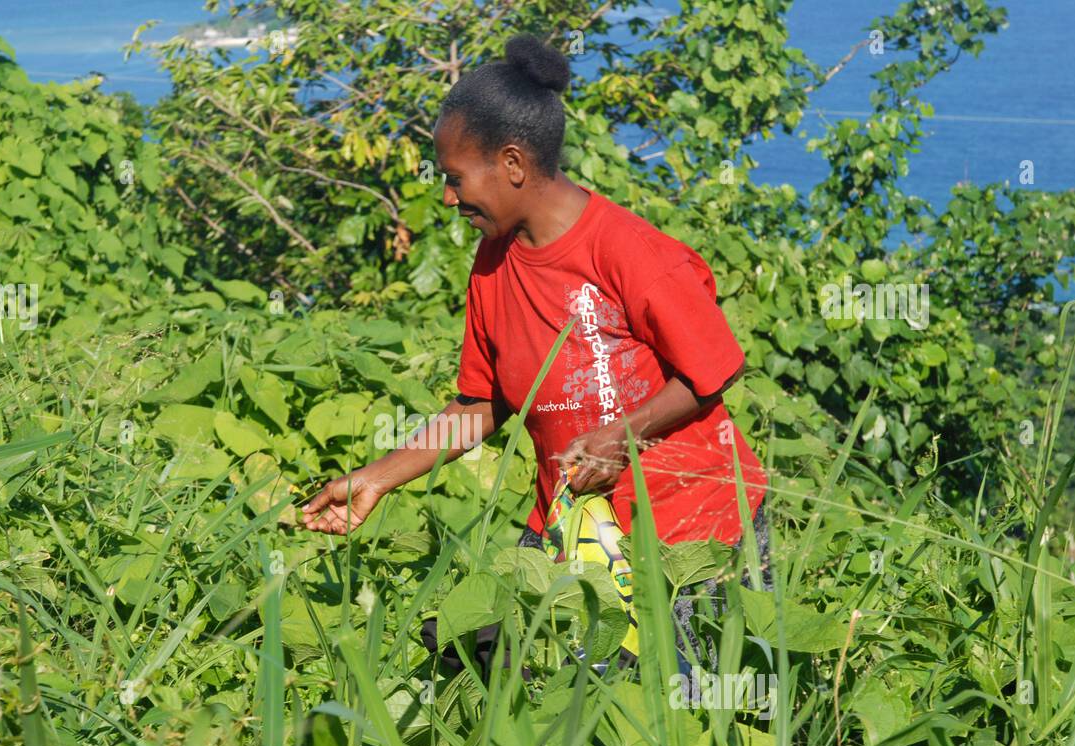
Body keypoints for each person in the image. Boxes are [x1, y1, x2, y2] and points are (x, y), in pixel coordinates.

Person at [301, 34, 772, 690]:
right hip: (576, 526)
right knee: (506, 682)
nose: (446, 198)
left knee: (691, 712)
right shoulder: (494, 265)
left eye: (455, 178)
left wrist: (621, 435)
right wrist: (378, 478)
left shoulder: (630, 252)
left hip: (693, 532)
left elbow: (712, 370)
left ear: (513, 164)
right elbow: (481, 404)